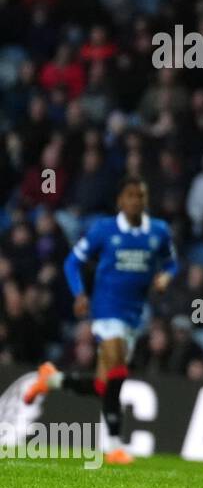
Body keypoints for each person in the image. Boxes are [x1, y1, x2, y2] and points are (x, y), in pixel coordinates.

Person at [24, 177, 178, 464]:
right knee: (118, 364)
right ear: (120, 200)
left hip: (135, 313)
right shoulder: (104, 230)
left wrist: (166, 276)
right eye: (130, 196)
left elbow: (172, 262)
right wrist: (79, 293)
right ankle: (114, 445)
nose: (135, 201)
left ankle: (51, 380)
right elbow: (72, 262)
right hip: (106, 309)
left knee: (102, 385)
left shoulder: (158, 231)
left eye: (140, 196)